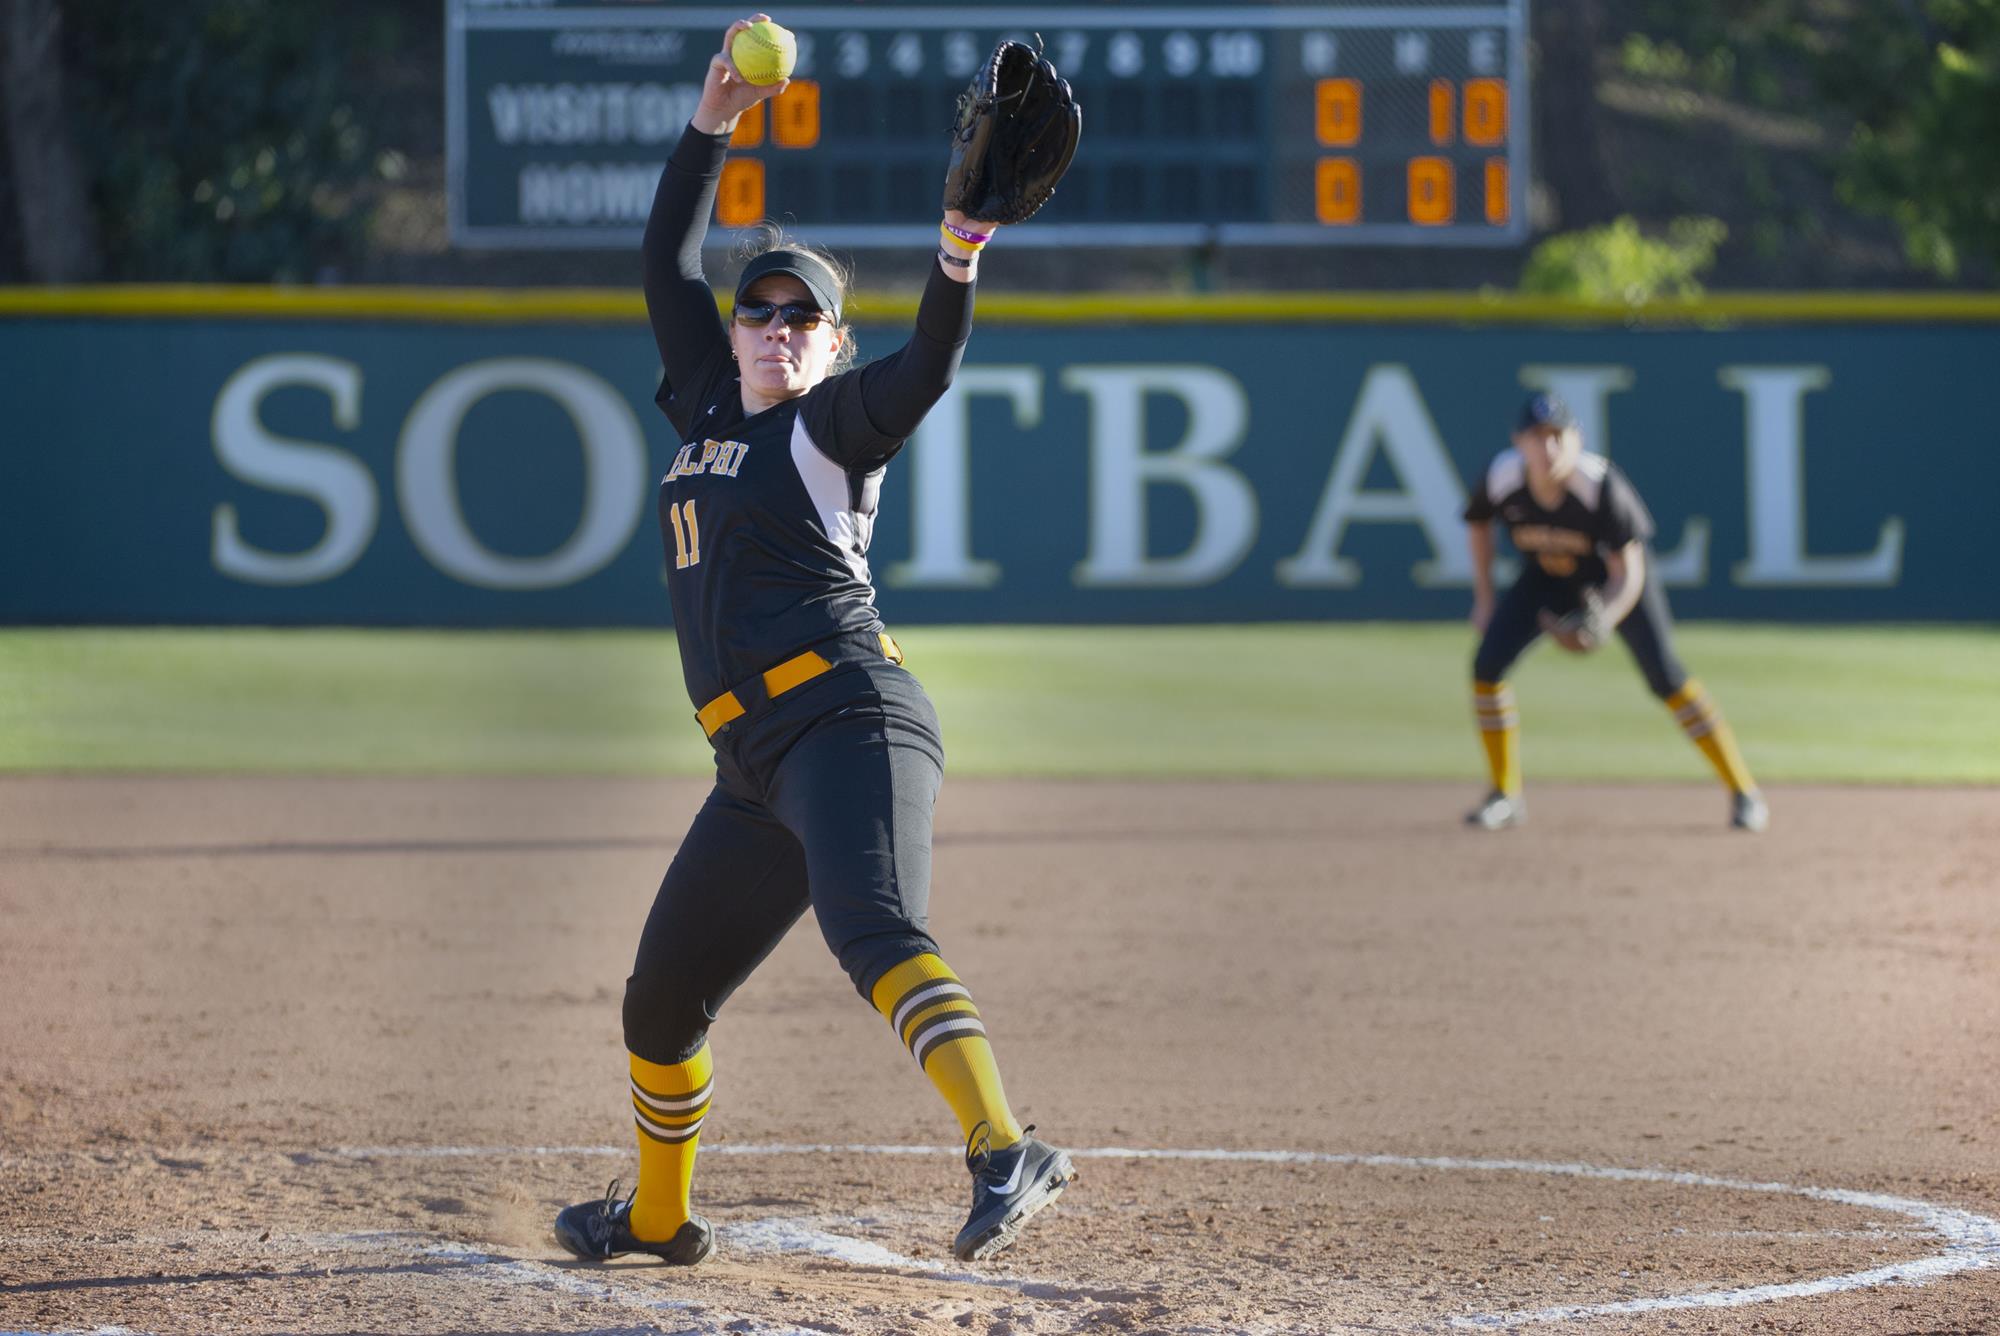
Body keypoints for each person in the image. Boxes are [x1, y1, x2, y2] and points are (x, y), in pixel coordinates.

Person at [551, 15, 1074, 1266]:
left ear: (832, 344)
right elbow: (663, 254)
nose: (776, 326)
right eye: (760, 310)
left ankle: (1009, 1149)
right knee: (661, 999)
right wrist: (710, 121)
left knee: (873, 927)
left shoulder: (833, 425)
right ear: (732, 333)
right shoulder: (705, 399)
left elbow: (933, 366)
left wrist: (958, 249)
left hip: (848, 719)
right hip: (750, 766)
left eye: (804, 317)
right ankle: (661, 1215)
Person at [1462, 391, 1769, 833]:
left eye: (1557, 437)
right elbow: (1477, 524)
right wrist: (1485, 598)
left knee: (1666, 677)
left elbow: (1628, 572)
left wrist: (1601, 619)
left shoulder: (1600, 485)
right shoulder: (1502, 476)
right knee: (1487, 667)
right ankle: (1504, 795)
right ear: (1518, 441)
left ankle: (1744, 792)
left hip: (1613, 583)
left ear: (1577, 439)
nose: (1547, 449)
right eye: (1536, 437)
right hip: (1545, 576)